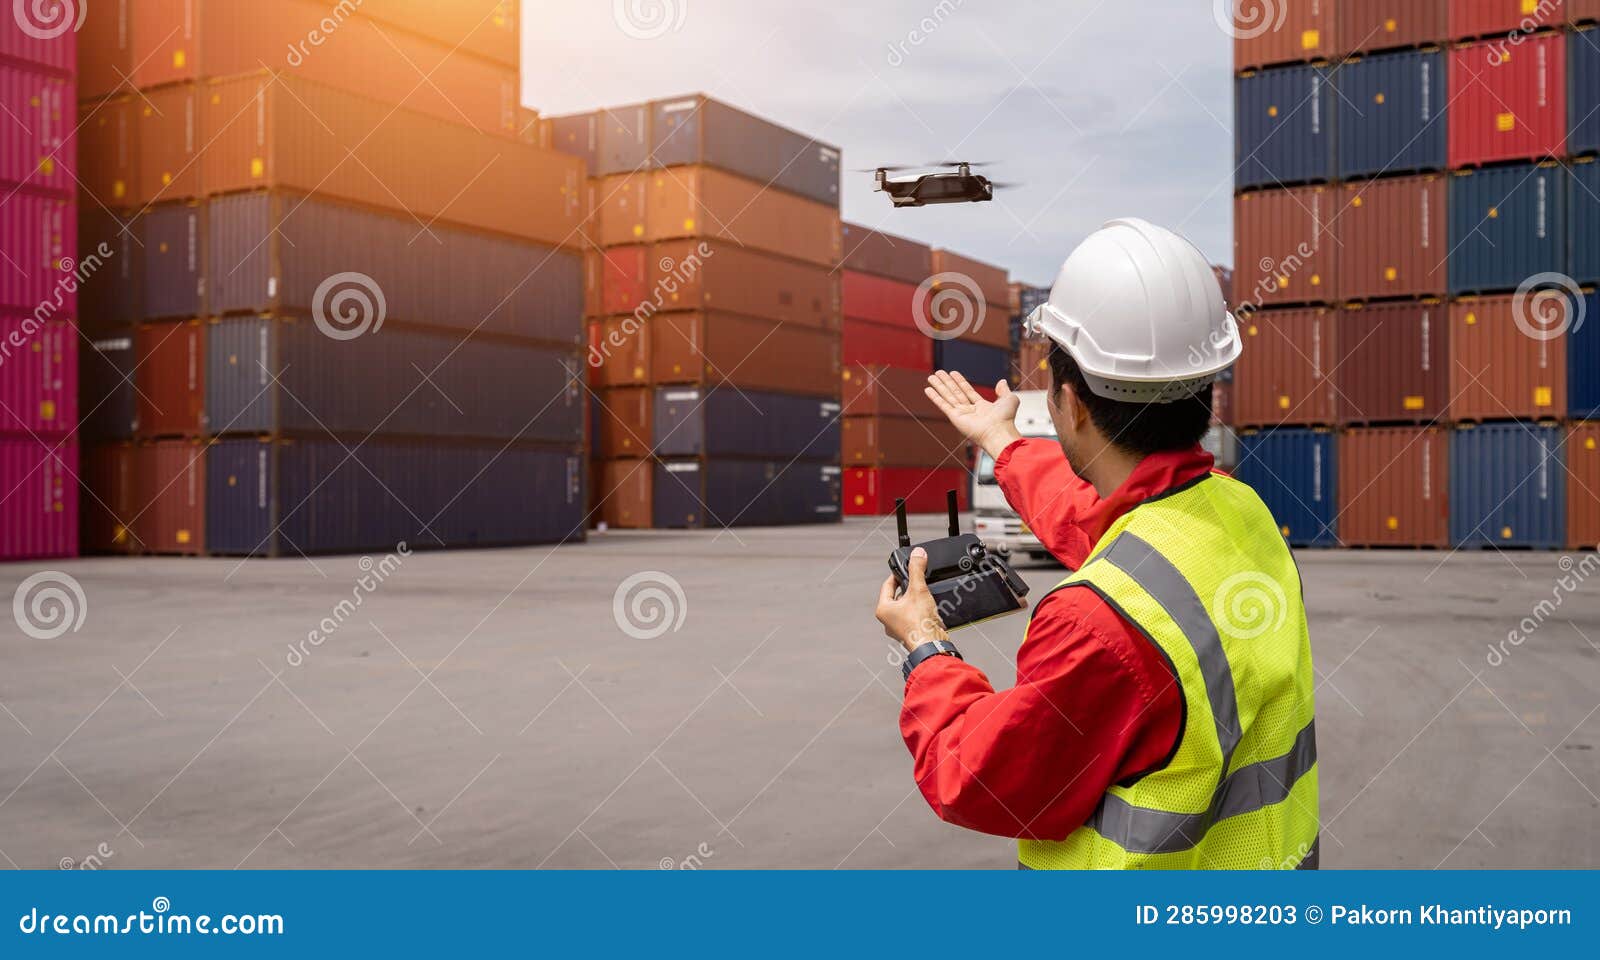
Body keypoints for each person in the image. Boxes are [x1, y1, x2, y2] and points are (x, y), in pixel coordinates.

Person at [874, 219, 1319, 869]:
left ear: (1072, 404)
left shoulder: (1095, 623)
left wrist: (925, 646)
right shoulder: (1237, 509)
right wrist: (1003, 442)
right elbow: (1104, 515)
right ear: (1204, 385)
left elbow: (982, 777)